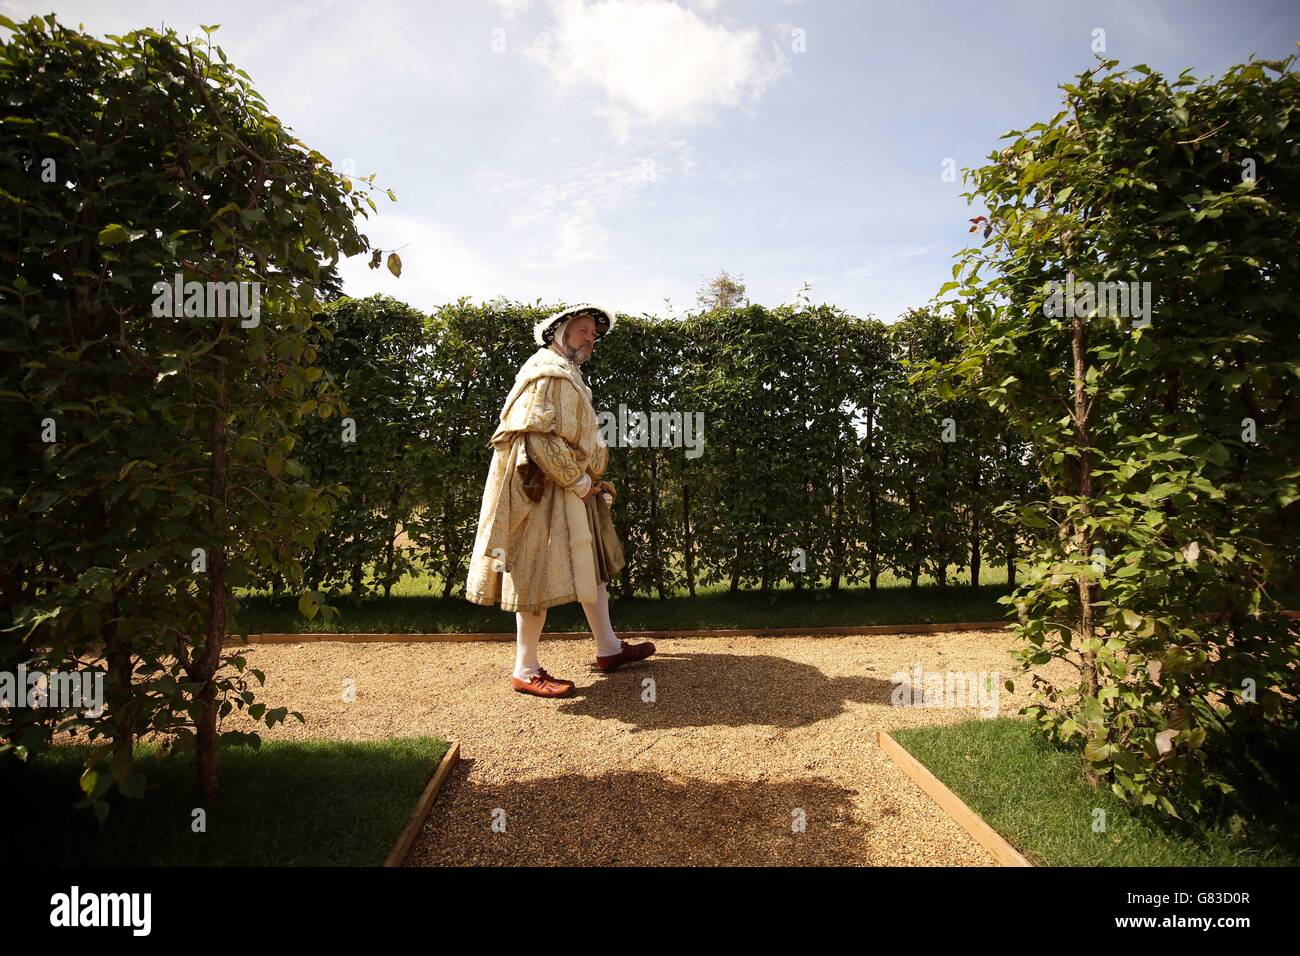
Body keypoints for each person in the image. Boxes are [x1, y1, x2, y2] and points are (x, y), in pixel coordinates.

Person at [464, 303, 655, 697]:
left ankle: (608, 648)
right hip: (541, 490)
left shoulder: (569, 375)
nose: (591, 338)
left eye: (593, 333)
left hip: (570, 486)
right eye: (583, 330)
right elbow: (537, 437)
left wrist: (584, 480)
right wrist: (577, 479)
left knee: (591, 564)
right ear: (559, 331)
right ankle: (525, 668)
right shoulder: (545, 374)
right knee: (535, 571)